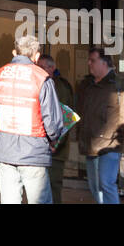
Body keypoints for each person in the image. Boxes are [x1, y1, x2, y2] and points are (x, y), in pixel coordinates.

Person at [0, 33, 66, 203]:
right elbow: (52, 121)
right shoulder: (42, 79)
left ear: (14, 53)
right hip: (34, 152)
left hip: (5, 151)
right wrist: (53, 141)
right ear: (36, 56)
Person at [75, 46, 124, 204]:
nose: (89, 63)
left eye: (93, 60)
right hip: (91, 144)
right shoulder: (86, 85)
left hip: (111, 144)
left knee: (106, 183)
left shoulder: (118, 85)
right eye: (89, 60)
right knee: (94, 186)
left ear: (105, 63)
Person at [38, 53, 74, 203]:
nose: (38, 70)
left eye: (41, 67)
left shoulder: (60, 87)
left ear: (52, 68)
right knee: (40, 188)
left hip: (55, 149)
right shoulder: (43, 83)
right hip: (41, 146)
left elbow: (65, 118)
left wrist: (55, 143)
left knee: (53, 186)